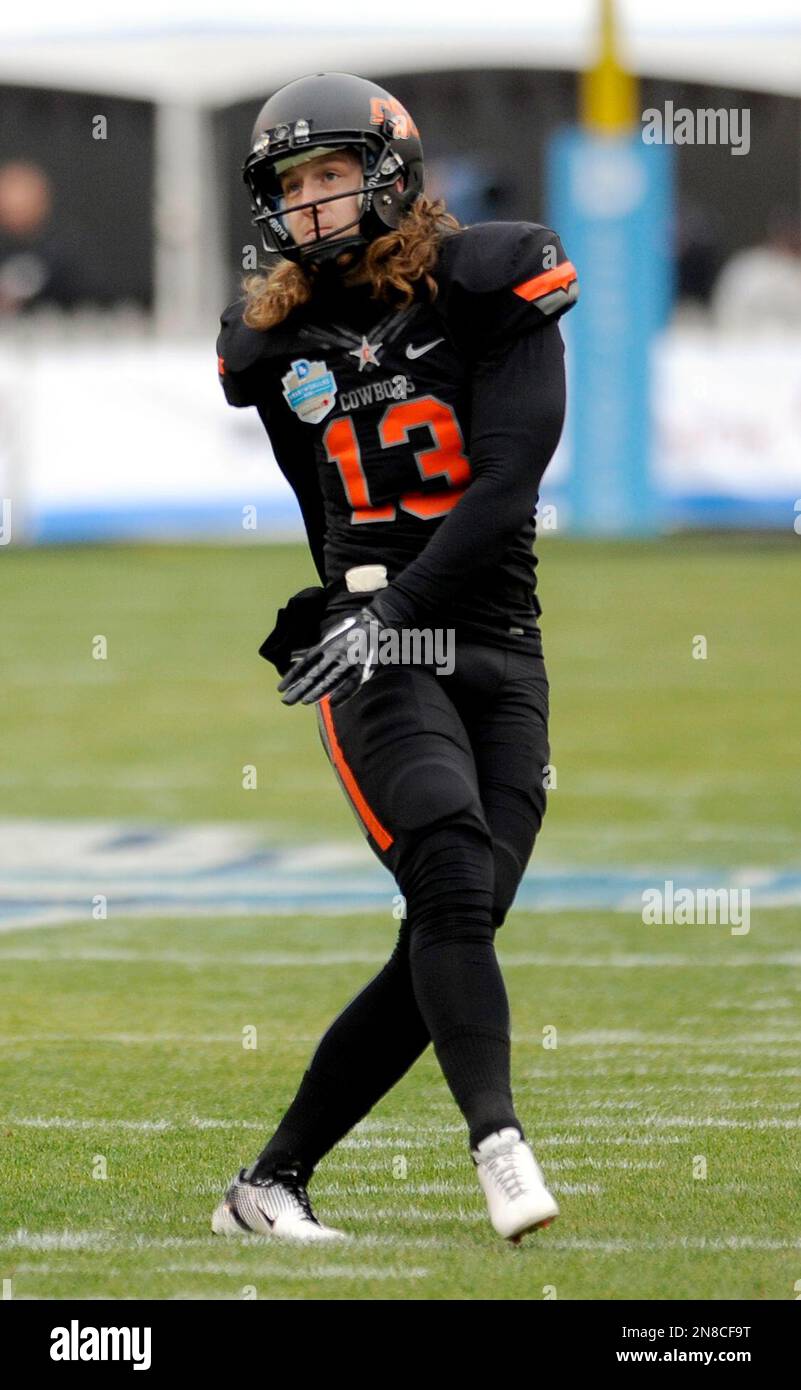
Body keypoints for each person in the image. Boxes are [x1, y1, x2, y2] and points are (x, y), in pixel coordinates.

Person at [212, 72, 578, 1245]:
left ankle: (268, 1184)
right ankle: (500, 1145)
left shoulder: (488, 281)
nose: (313, 201)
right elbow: (321, 507)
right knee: (454, 888)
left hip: (495, 639)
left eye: (331, 173)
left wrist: (401, 601)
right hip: (375, 645)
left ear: (394, 173)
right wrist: (350, 612)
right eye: (294, 183)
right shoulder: (273, 341)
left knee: (454, 919)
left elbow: (507, 477)